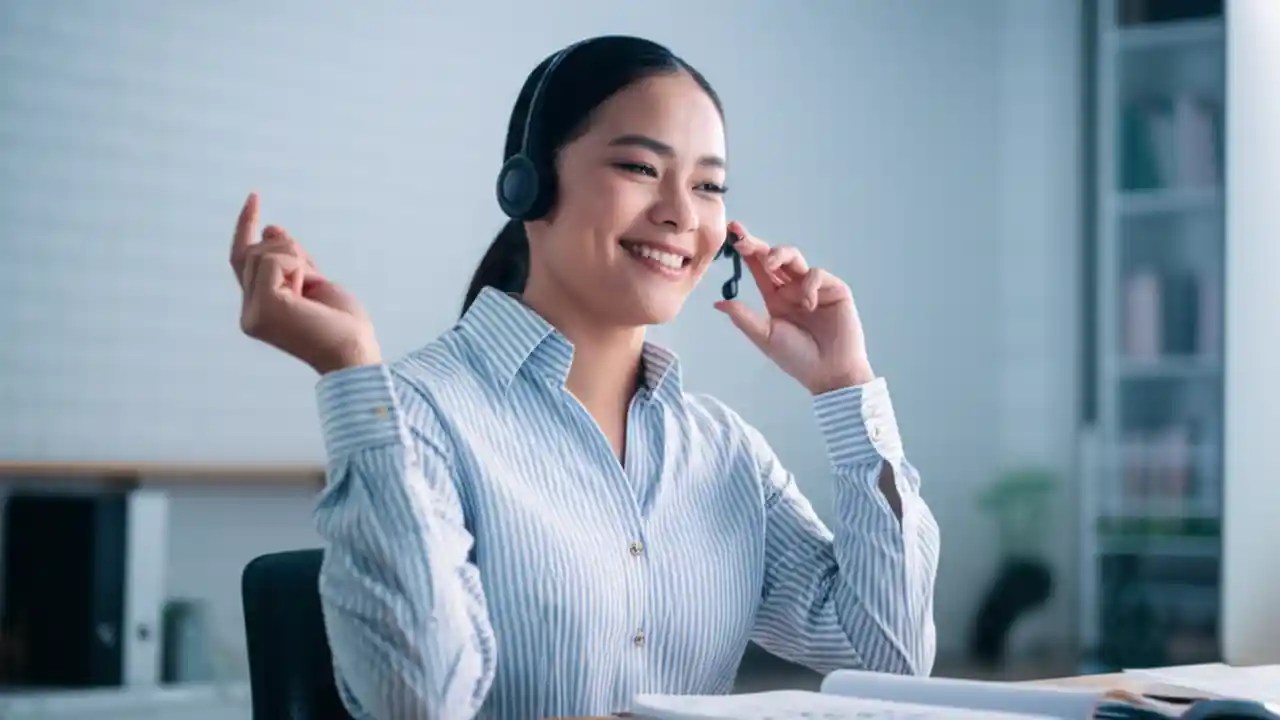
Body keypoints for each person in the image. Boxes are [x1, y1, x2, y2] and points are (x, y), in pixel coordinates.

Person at [229, 34, 939, 720]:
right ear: (528, 184)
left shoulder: (724, 451)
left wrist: (846, 388)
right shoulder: (418, 413)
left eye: (710, 184)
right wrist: (352, 373)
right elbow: (420, 703)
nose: (681, 213)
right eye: (638, 168)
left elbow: (891, 659)